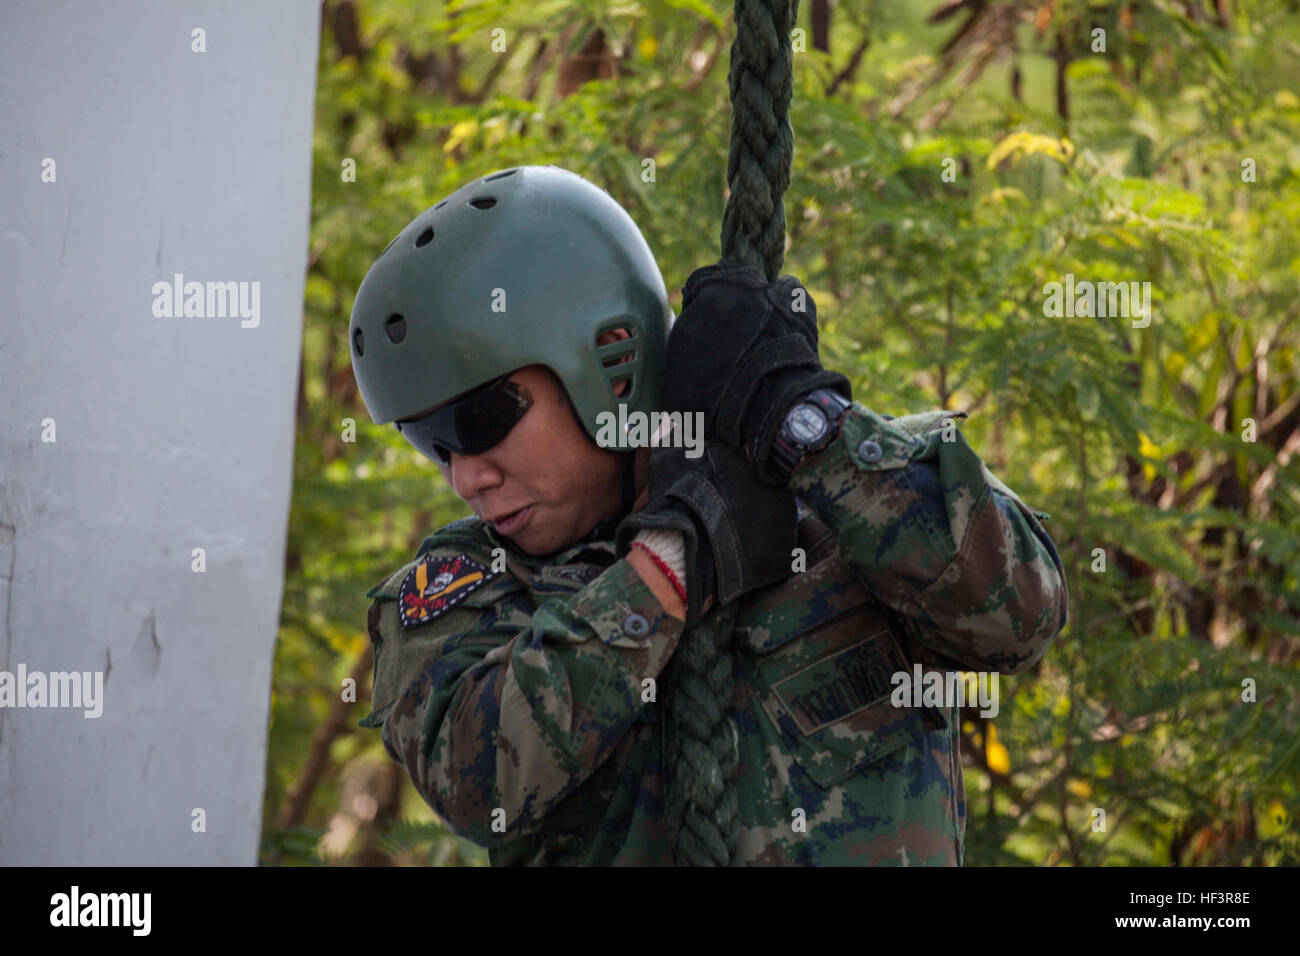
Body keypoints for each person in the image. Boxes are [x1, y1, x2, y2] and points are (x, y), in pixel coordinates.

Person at [348, 164, 1069, 865]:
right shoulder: (466, 589)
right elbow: (479, 783)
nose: (466, 476)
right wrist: (674, 559)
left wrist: (805, 424)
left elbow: (1021, 616)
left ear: (608, 360)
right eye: (431, 442)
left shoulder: (854, 505)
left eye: (480, 419)